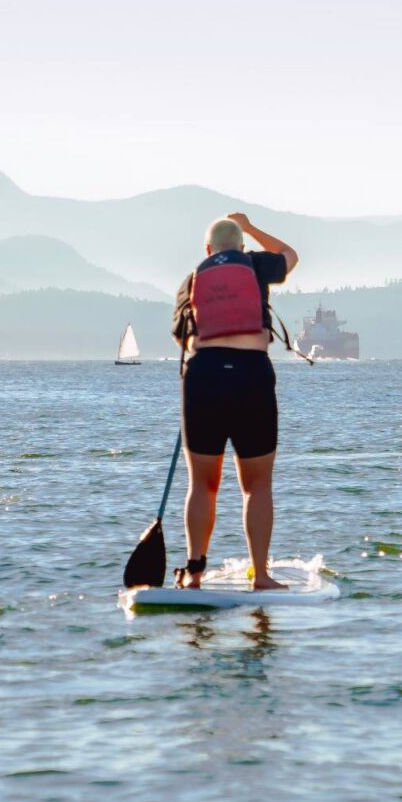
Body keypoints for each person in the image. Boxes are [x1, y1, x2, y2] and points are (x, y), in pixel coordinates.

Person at [170, 212, 298, 590]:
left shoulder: (193, 279)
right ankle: (261, 576)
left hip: (204, 377)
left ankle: (194, 573)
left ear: (207, 249)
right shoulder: (256, 265)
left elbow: (183, 336)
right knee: (257, 485)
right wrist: (251, 227)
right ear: (242, 247)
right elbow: (290, 254)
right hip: (251, 375)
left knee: (201, 484)